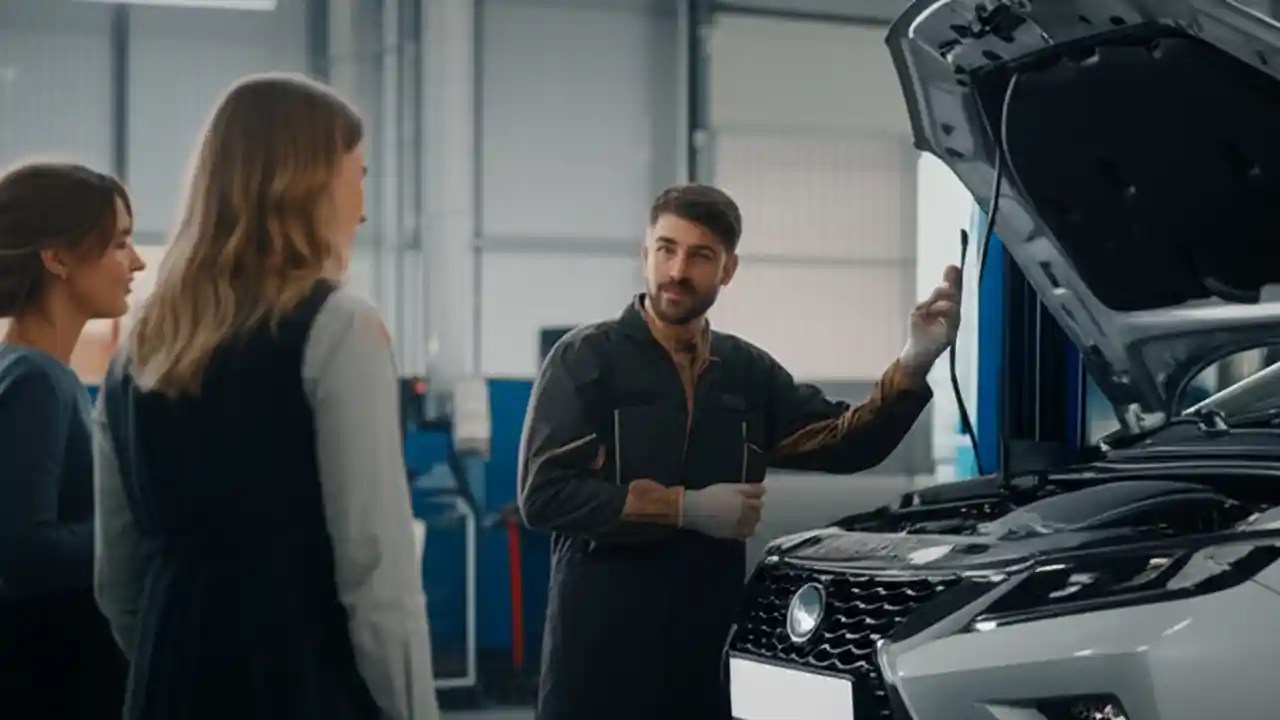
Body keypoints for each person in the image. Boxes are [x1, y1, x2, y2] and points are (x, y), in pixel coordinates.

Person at [517, 183, 961, 720]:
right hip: (599, 650)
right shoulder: (585, 359)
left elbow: (847, 442)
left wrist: (914, 362)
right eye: (666, 249)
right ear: (645, 253)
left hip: (703, 648)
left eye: (700, 256)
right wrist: (685, 509)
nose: (678, 270)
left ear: (727, 270)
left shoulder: (746, 372)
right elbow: (544, 495)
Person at [91, 73, 441, 720]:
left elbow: (117, 578)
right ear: (306, 184)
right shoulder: (340, 328)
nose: (363, 209)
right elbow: (377, 577)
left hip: (169, 680)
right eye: (358, 176)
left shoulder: (139, 346)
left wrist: (174, 661)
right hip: (301, 682)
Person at [0, 161, 145, 718]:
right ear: (57, 258)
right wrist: (137, 527)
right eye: (119, 243)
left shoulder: (35, 374)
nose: (137, 262)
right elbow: (23, 554)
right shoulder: (37, 380)